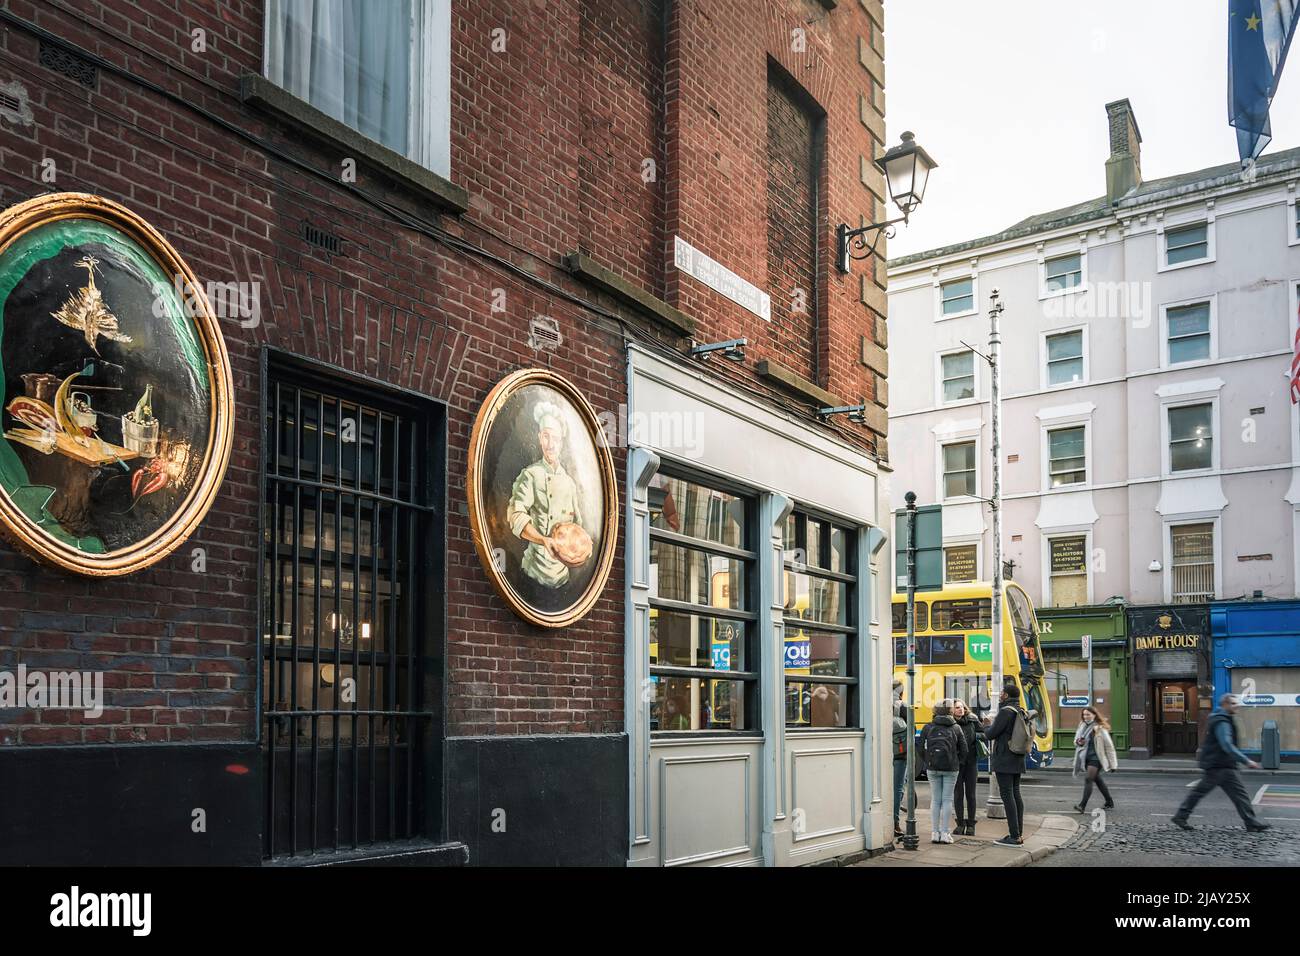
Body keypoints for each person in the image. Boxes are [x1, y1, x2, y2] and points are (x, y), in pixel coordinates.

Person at [1172, 694, 1269, 833]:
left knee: (1233, 794)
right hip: (1219, 765)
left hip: (1220, 764)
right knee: (1233, 794)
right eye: (1234, 703)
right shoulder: (1222, 721)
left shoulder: (1220, 718)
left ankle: (1181, 816)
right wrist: (1246, 760)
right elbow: (1226, 744)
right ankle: (1250, 822)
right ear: (1225, 704)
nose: (1237, 706)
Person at [981, 683, 1029, 847]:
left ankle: (1014, 836)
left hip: (1005, 758)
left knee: (1007, 796)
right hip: (1017, 757)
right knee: (1016, 794)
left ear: (1006, 695)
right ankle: (1018, 833)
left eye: (1002, 692)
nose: (1000, 694)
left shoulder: (1005, 712)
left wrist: (987, 723)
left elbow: (990, 734)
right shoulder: (1020, 710)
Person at [919, 699, 967, 844]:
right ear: (950, 711)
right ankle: (945, 833)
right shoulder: (956, 728)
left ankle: (934, 833)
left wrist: (927, 760)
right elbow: (964, 750)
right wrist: (957, 762)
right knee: (947, 800)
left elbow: (920, 747)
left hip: (932, 767)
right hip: (951, 768)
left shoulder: (928, 727)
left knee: (935, 799)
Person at [1072, 706, 1118, 813]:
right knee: (1098, 780)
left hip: (1096, 758)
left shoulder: (1099, 728)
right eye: (1084, 714)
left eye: (1088, 714)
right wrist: (1078, 742)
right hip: (1085, 758)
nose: (1086, 716)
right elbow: (1075, 741)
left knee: (1088, 779)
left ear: (1094, 715)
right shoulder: (1082, 725)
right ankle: (1109, 801)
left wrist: (1113, 764)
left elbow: (1109, 747)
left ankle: (1082, 806)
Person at [951, 697, 984, 835]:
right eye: (957, 707)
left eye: (962, 707)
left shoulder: (972, 720)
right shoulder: (950, 723)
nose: (961, 709)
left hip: (971, 761)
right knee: (958, 794)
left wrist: (975, 736)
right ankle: (960, 824)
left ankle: (971, 825)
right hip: (956, 763)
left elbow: (984, 734)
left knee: (970, 794)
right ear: (951, 710)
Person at [891, 679, 909, 837]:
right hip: (900, 754)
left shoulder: (879, 703)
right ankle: (895, 823)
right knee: (897, 788)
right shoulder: (902, 706)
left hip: (881, 753)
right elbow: (912, 728)